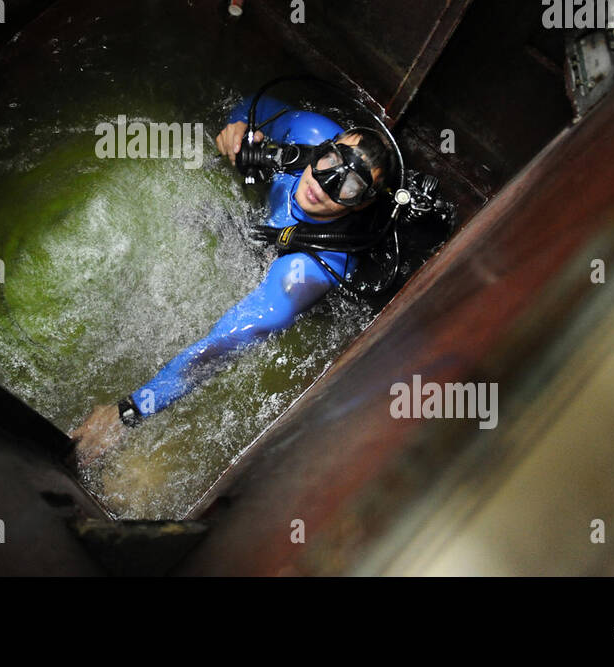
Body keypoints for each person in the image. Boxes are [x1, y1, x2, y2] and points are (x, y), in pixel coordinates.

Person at [71, 93, 395, 468]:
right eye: (329, 162)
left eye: (348, 187)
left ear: (362, 203)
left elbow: (236, 334)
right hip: (259, 226)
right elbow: (248, 105)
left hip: (286, 260)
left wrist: (132, 410)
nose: (323, 185)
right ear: (325, 146)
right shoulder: (309, 130)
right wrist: (237, 128)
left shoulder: (308, 271)